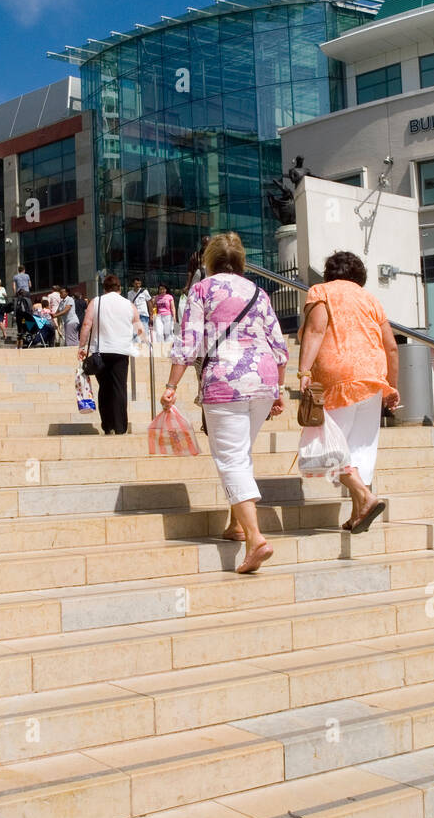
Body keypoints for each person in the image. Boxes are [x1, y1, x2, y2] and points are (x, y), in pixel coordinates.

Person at [161, 232, 288, 574]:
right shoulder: (259, 292)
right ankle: (235, 525)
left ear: (210, 261)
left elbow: (188, 343)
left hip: (224, 381)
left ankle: (255, 538)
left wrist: (172, 384)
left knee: (230, 458)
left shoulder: (201, 290)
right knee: (241, 454)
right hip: (263, 379)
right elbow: (279, 345)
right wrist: (278, 389)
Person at [295, 249, 400, 533]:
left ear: (330, 272)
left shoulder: (321, 291)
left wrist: (304, 371)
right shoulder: (370, 299)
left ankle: (365, 498)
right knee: (362, 449)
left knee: (329, 447)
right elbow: (391, 346)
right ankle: (358, 513)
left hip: (337, 378)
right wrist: (392, 385)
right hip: (372, 379)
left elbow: (315, 332)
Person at [78, 274, 145, 434]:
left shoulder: (96, 302)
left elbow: (87, 324)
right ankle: (120, 427)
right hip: (121, 351)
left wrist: (82, 346)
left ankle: (107, 426)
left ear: (104, 288)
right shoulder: (129, 304)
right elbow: (138, 327)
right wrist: (144, 342)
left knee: (105, 388)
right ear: (119, 288)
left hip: (100, 352)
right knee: (119, 388)